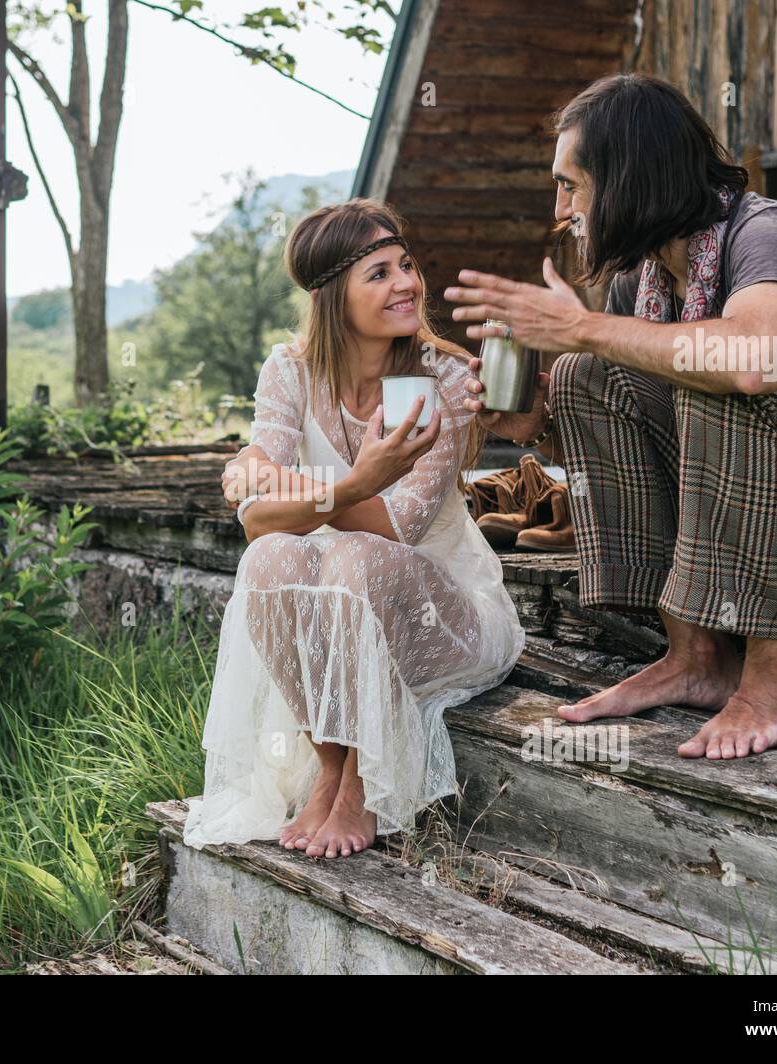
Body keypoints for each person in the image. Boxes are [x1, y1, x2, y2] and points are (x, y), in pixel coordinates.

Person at [446, 73, 777, 760]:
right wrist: (535, 425)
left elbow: (752, 361)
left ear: (629, 178)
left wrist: (582, 328)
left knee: (714, 369)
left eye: (570, 184)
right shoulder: (635, 280)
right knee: (586, 376)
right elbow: (633, 407)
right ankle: (697, 651)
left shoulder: (770, 233)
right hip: (775, 550)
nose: (560, 209)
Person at [181, 198, 526, 858]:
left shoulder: (444, 378)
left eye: (406, 265)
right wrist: (348, 484)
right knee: (273, 560)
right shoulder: (290, 372)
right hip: (336, 630)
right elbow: (257, 522)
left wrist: (312, 490)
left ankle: (365, 784)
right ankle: (332, 769)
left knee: (353, 557)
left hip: (445, 618)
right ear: (333, 296)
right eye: (379, 273)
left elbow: (399, 528)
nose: (406, 284)